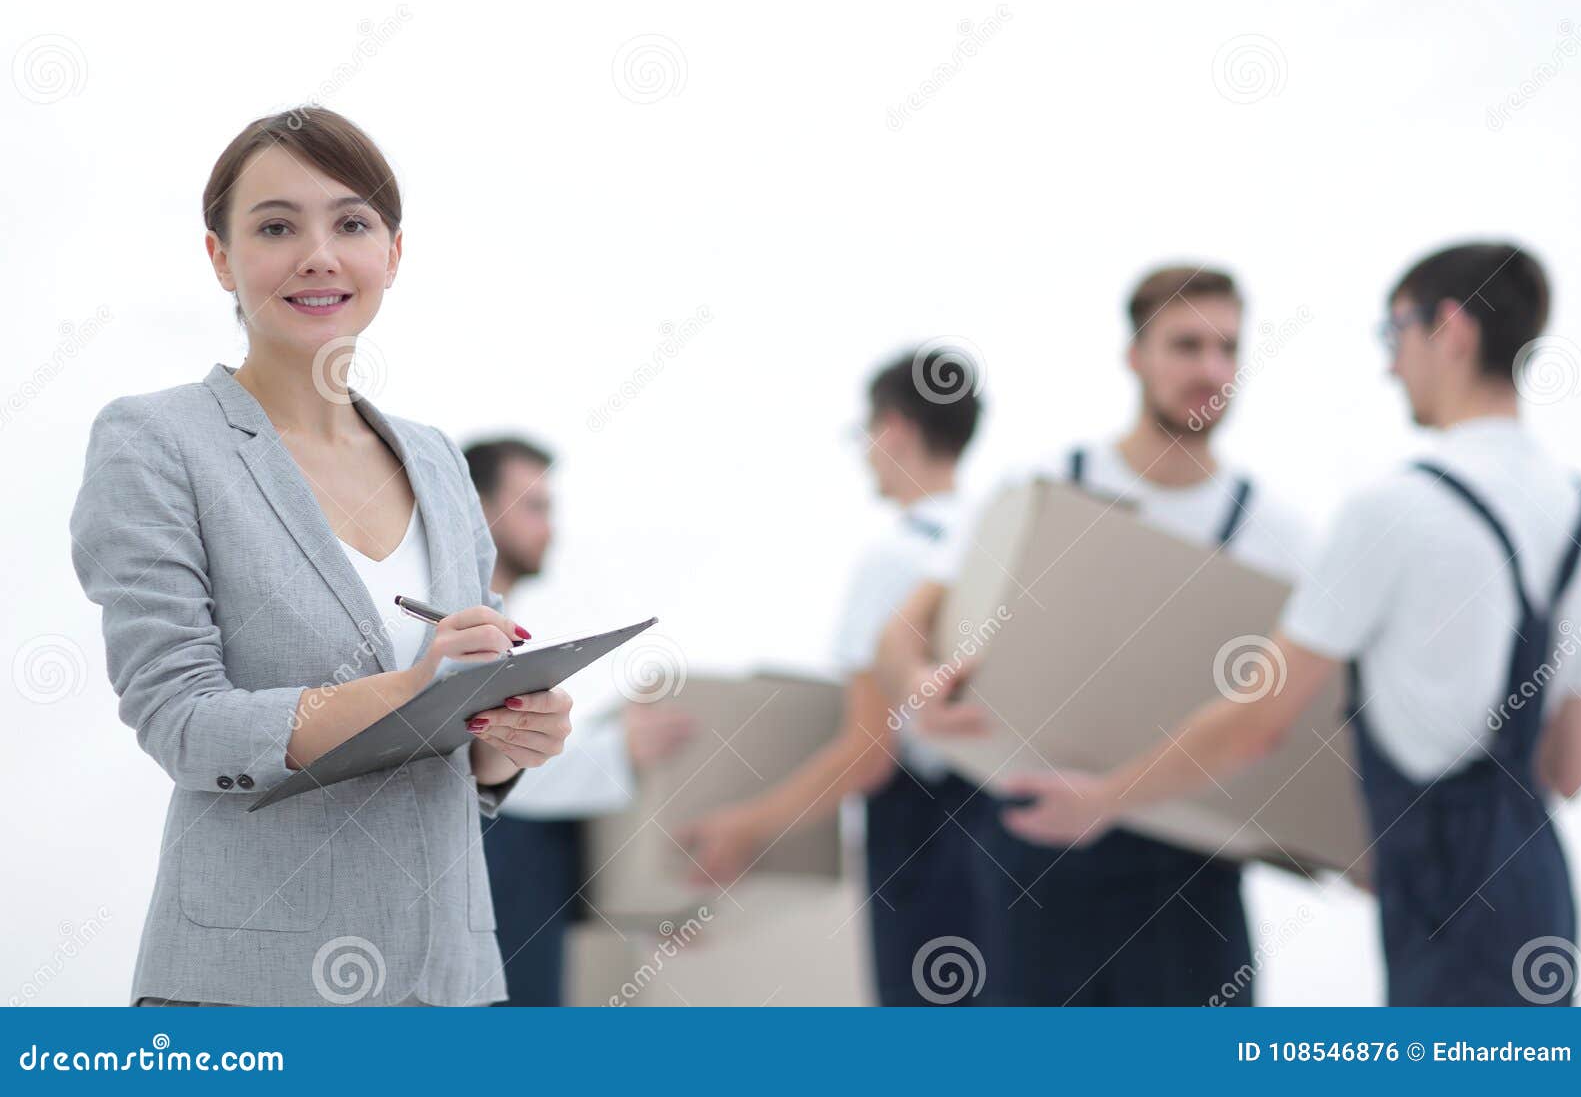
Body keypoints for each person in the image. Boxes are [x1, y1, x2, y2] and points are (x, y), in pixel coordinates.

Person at [990, 243, 1581, 1006]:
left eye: (1395, 333)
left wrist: (1102, 798)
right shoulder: (1577, 511)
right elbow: (1567, 769)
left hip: (1434, 898)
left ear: (1449, 330)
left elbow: (1257, 724)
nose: (1390, 364)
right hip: (1536, 896)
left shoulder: (1393, 509)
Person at [68, 109, 572, 1007]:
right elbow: (181, 722)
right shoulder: (156, 442)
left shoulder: (438, 460)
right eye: (274, 226)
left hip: (453, 983)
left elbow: (455, 756)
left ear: (394, 252)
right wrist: (413, 690)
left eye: (351, 223)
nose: (319, 255)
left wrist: (506, 742)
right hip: (253, 989)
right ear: (221, 258)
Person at [878, 267, 1313, 1005]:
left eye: (1227, 349)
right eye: (1186, 345)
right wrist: (921, 688)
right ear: (1135, 356)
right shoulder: (1048, 484)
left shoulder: (1278, 534)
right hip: (1031, 861)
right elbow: (904, 629)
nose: (1209, 370)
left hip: (1192, 876)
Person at [677, 348, 995, 1006]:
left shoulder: (894, 557)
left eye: (867, 434)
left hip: (927, 844)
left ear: (896, 431)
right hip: (1010, 839)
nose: (867, 453)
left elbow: (869, 753)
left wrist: (747, 827)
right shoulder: (993, 542)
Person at [464, 437, 696, 1005]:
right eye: (534, 507)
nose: (551, 529)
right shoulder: (450, 627)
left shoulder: (499, 625)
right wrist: (619, 752)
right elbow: (472, 769)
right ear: (478, 509)